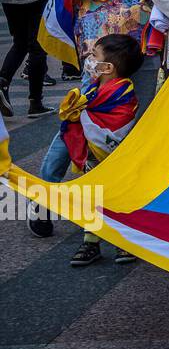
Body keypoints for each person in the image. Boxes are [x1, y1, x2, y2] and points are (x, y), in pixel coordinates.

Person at [27, 33, 144, 264]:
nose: (89, 59)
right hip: (82, 142)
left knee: (109, 193)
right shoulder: (92, 88)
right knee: (79, 184)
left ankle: (120, 242)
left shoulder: (123, 94)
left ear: (107, 67)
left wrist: (82, 110)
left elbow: (119, 121)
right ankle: (90, 241)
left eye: (94, 55)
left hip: (107, 151)